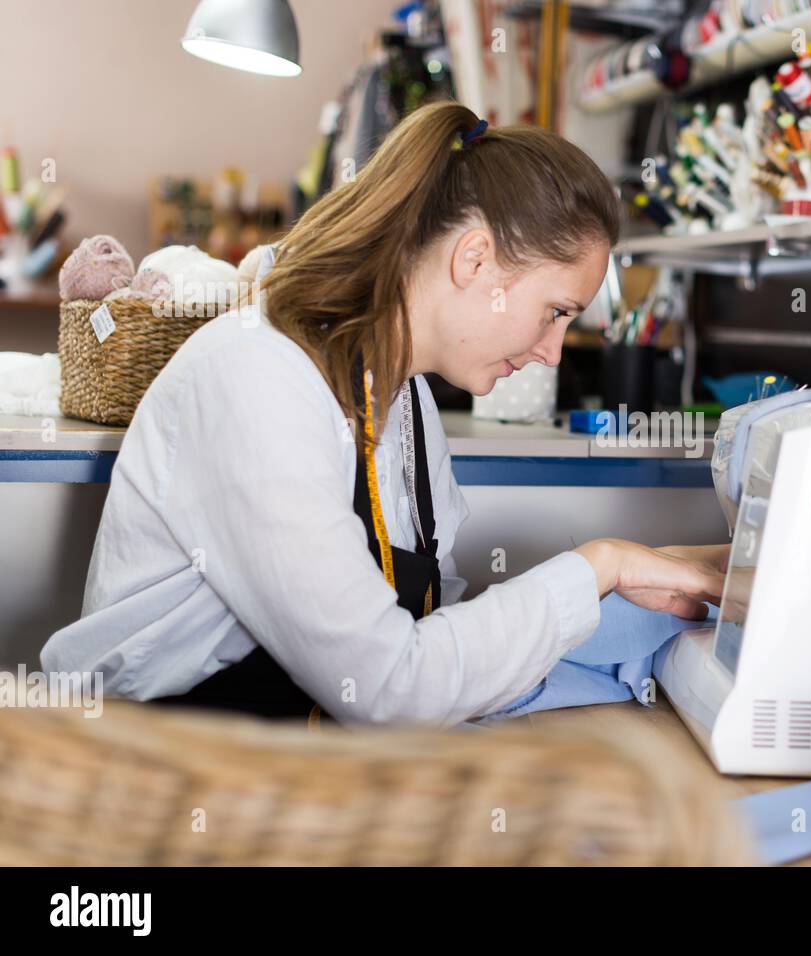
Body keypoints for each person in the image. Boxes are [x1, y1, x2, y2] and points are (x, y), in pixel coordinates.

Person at [42, 102, 725, 725]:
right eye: (556, 312)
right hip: (154, 783)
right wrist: (599, 566)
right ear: (475, 258)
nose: (552, 353)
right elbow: (387, 687)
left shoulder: (406, 400)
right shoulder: (257, 375)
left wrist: (630, 591)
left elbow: (433, 635)